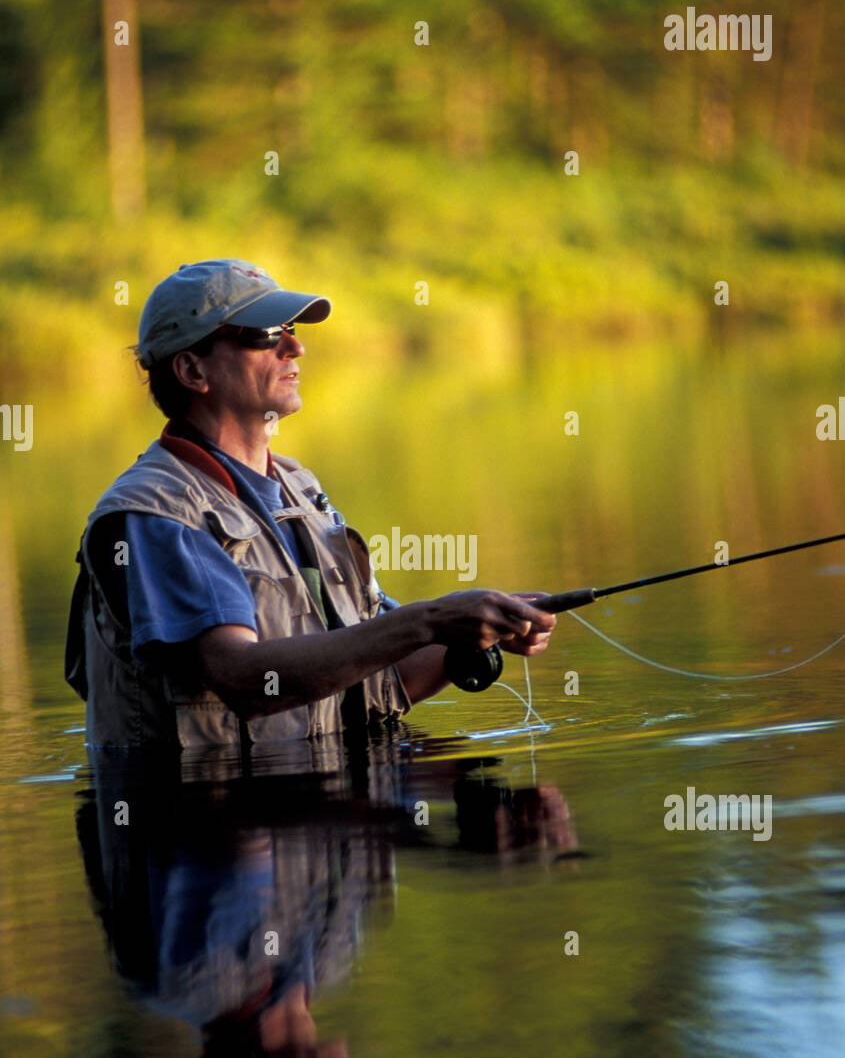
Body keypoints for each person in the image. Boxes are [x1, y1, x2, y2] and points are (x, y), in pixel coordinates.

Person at [65, 259, 555, 756]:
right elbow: (244, 678)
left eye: (291, 330)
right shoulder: (156, 515)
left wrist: (472, 633)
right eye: (264, 333)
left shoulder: (299, 487)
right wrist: (426, 621)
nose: (295, 346)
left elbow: (379, 676)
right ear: (193, 370)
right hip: (210, 817)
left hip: (326, 812)